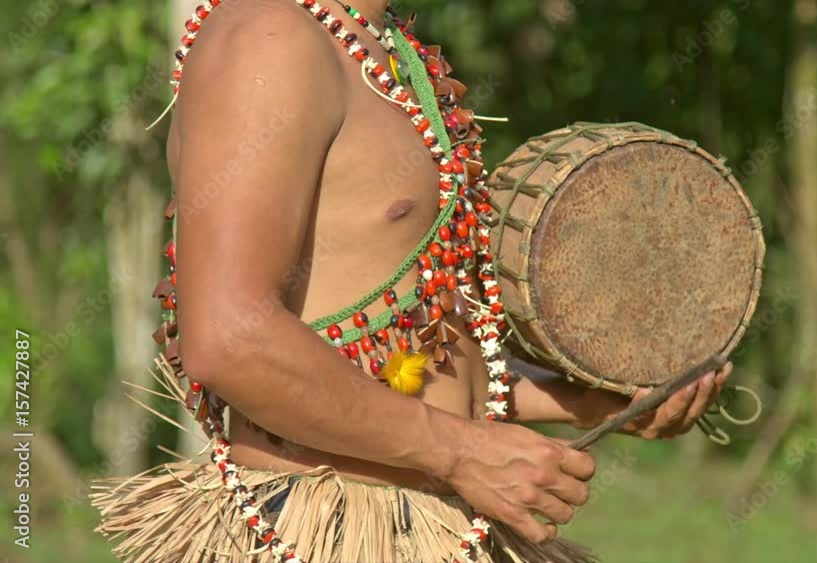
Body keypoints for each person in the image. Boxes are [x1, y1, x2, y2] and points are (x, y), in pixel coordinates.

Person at [92, 0, 732, 561]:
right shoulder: (268, 38)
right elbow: (230, 338)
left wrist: (588, 402)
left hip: (437, 524)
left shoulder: (389, 49)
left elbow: (407, 355)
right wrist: (462, 453)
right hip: (312, 528)